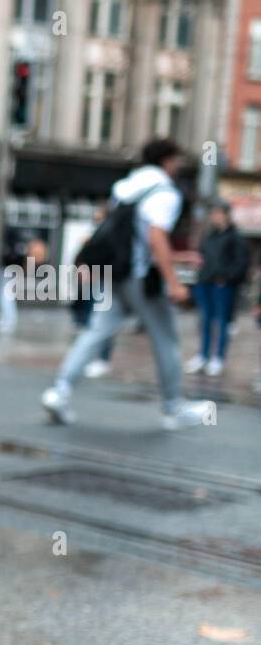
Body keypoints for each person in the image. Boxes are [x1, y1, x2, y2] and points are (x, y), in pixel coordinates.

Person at [42, 138, 213, 430]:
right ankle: (173, 408)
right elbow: (155, 237)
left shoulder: (126, 186)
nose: (179, 166)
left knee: (95, 332)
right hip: (142, 278)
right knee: (166, 340)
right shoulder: (165, 192)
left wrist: (176, 257)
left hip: (116, 273)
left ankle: (59, 391)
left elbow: (123, 233)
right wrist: (173, 282)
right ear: (168, 161)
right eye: (177, 160)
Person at [187, 201, 249, 377]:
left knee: (222, 322)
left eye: (218, 213)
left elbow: (241, 263)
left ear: (226, 215)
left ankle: (218, 358)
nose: (214, 217)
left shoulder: (235, 237)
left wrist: (227, 277)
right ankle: (203, 356)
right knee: (204, 320)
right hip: (205, 282)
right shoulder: (209, 235)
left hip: (222, 285)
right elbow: (202, 256)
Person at [71, 203, 115, 379]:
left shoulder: (109, 235)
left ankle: (103, 360)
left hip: (103, 280)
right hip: (94, 279)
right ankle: (94, 359)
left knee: (103, 320)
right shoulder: (97, 234)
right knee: (93, 320)